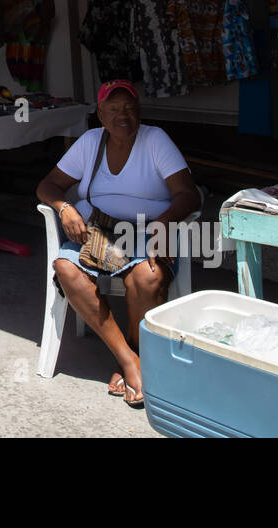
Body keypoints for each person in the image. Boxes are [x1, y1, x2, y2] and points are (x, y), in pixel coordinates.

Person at [36, 80, 201, 409]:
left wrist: (166, 221)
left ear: (138, 112)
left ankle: (136, 353)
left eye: (128, 108)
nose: (122, 115)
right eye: (113, 109)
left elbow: (188, 194)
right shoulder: (90, 142)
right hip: (97, 229)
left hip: (147, 230)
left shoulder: (155, 140)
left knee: (147, 277)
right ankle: (128, 360)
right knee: (66, 269)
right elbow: (49, 184)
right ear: (100, 114)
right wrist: (65, 208)